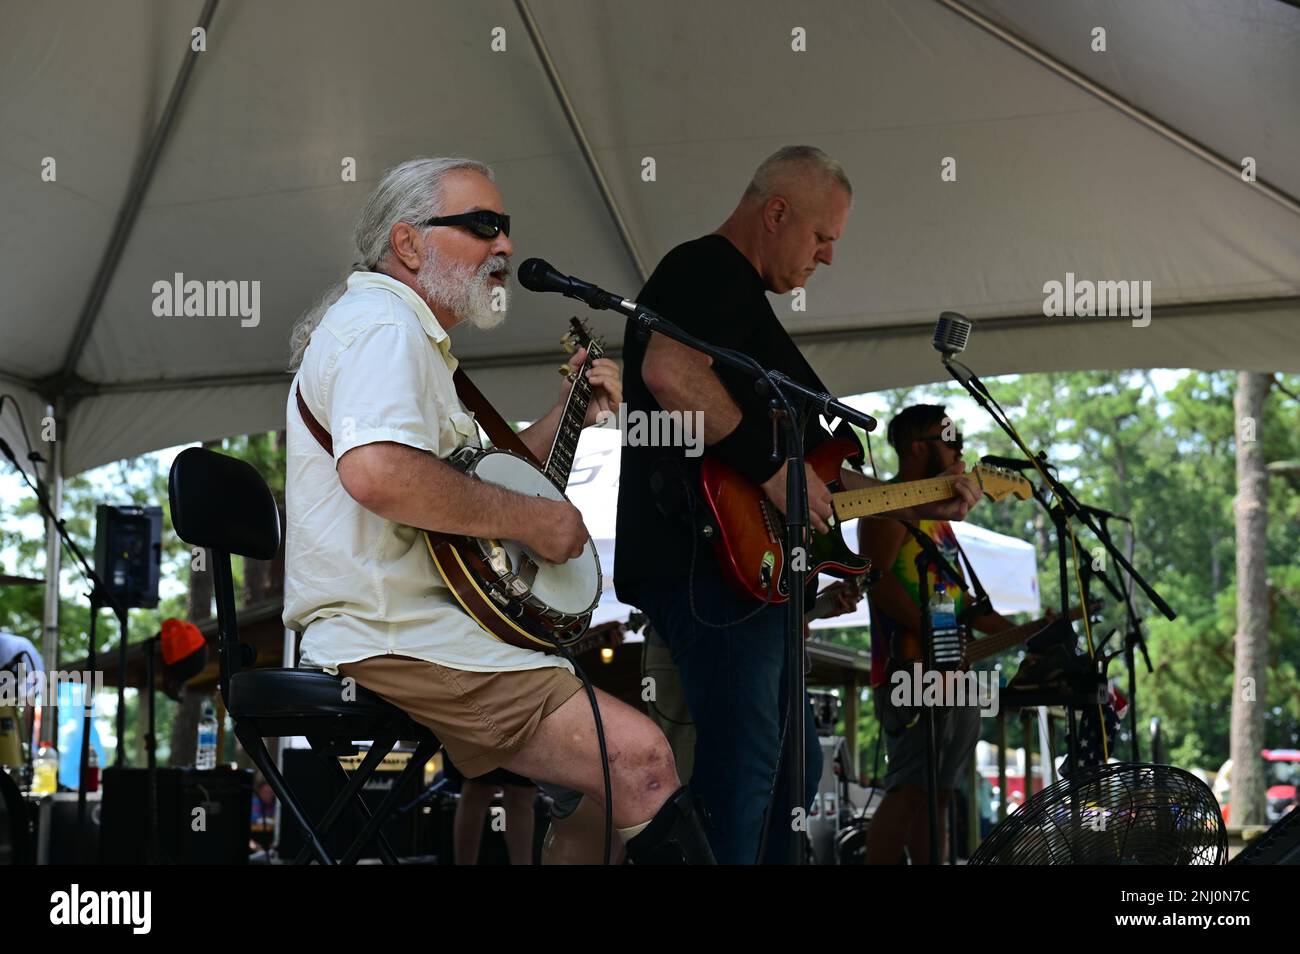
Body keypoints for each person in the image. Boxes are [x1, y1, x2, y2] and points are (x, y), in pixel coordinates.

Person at [283, 156, 713, 864]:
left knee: (608, 792)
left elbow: (481, 477)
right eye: (482, 226)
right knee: (641, 761)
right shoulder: (383, 327)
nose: (505, 245)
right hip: (390, 632)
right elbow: (381, 472)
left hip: (423, 628)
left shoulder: (410, 337)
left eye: (506, 228)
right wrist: (532, 521)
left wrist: (567, 411)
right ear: (409, 243)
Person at [614, 146, 980, 864]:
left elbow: (823, 485)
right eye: (822, 237)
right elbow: (669, 370)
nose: (829, 257)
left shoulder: (748, 311)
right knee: (748, 771)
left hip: (749, 575)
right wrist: (773, 468)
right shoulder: (705, 268)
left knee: (792, 772)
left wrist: (931, 500)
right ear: (775, 212)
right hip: (709, 564)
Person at [859, 404, 1016, 864]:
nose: (959, 449)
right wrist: (929, 635)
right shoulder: (884, 503)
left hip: (953, 670)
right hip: (907, 665)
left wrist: (1029, 630)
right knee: (909, 788)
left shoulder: (940, 516)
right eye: (950, 440)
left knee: (941, 793)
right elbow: (878, 580)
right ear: (917, 448)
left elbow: (961, 602)